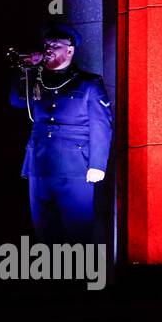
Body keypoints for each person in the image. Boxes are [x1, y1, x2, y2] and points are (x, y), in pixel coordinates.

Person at [9, 24, 113, 245]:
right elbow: (16, 101)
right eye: (47, 45)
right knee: (45, 232)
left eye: (55, 45)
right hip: (40, 165)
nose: (49, 49)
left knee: (77, 231)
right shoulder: (37, 79)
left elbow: (101, 125)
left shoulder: (88, 83)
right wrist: (25, 71)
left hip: (76, 167)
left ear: (70, 50)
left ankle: (79, 277)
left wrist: (98, 164)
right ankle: (54, 277)